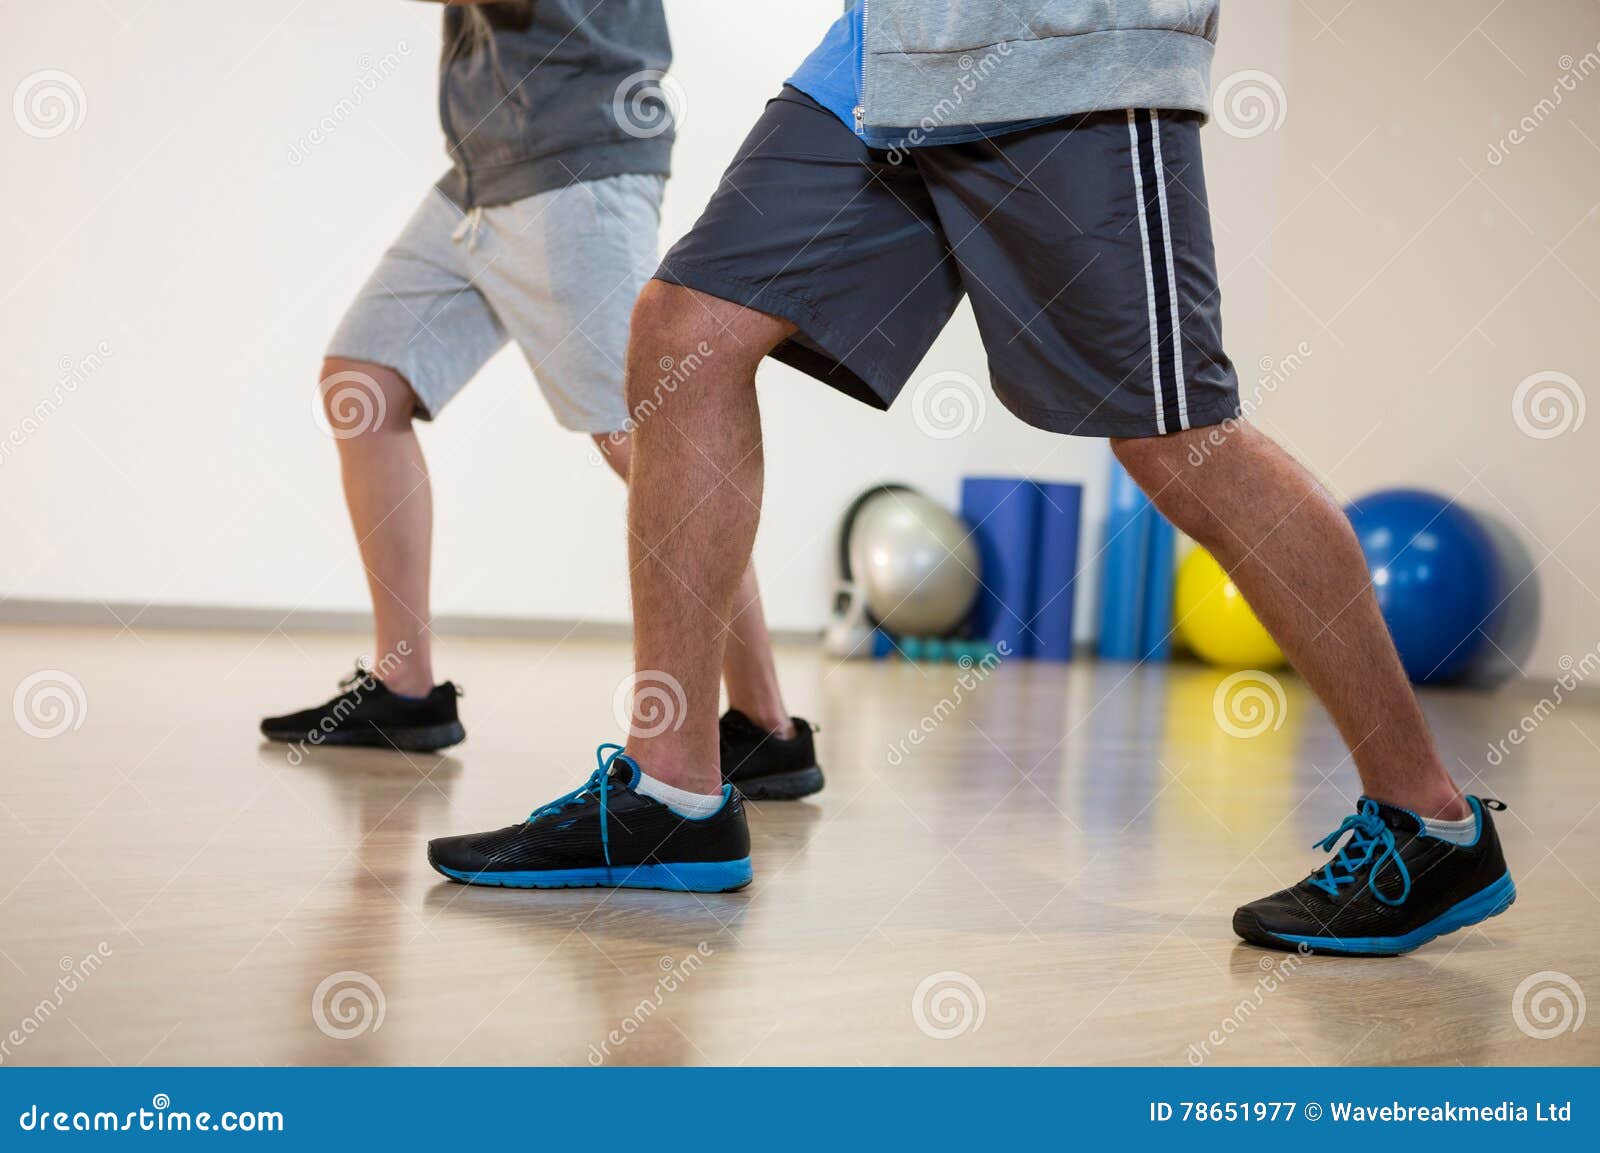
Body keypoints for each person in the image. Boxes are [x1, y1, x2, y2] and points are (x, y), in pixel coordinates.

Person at [428, 0, 1516, 957]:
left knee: (1177, 439)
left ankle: (1431, 822)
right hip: (889, 48)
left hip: (1064, 45)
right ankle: (673, 789)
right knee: (685, 334)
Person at [260, 0, 823, 805]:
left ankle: (765, 728)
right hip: (483, 168)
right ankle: (404, 688)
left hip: (576, 158)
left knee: (655, 445)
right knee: (365, 378)